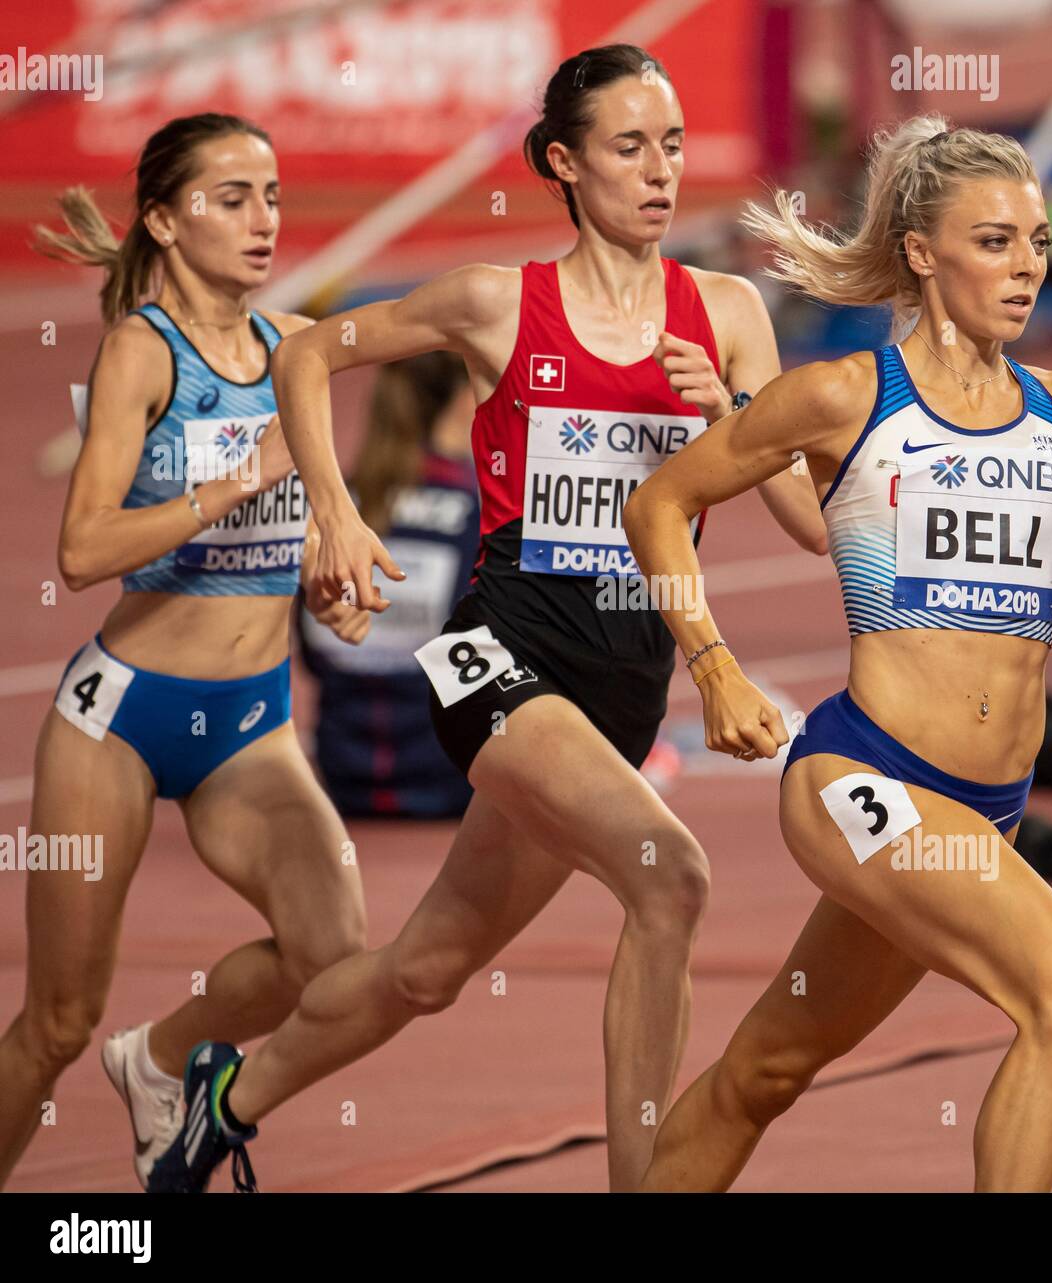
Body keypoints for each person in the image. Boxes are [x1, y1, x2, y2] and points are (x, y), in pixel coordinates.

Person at [149, 44, 826, 1194]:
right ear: (562, 163)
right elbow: (308, 349)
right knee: (669, 875)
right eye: (628, 147)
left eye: (671, 145)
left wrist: (738, 414)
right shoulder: (496, 302)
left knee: (427, 966)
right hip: (492, 655)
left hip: (618, 689)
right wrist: (335, 515)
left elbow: (807, 520)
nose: (659, 171)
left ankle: (225, 1098)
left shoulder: (727, 313)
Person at [623, 116, 1052, 1192]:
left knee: (767, 1068)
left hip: (988, 808)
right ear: (923, 253)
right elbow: (657, 504)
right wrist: (714, 667)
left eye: (1037, 242)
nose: (1026, 267)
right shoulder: (844, 396)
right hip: (866, 778)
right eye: (994, 242)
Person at [0, 113, 368, 1192]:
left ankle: (160, 1060)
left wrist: (329, 581)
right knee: (57, 1018)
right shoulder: (141, 350)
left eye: (272, 197)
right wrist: (233, 483)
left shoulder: (301, 347)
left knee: (331, 951)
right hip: (120, 717)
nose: (263, 220)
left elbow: (310, 525)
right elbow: (81, 549)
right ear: (164, 221)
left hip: (250, 723)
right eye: (232, 198)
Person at [298, 352, 480, 819]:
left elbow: (313, 652)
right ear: (466, 399)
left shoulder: (337, 507)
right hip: (451, 778)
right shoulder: (476, 511)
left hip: (343, 775)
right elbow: (482, 657)